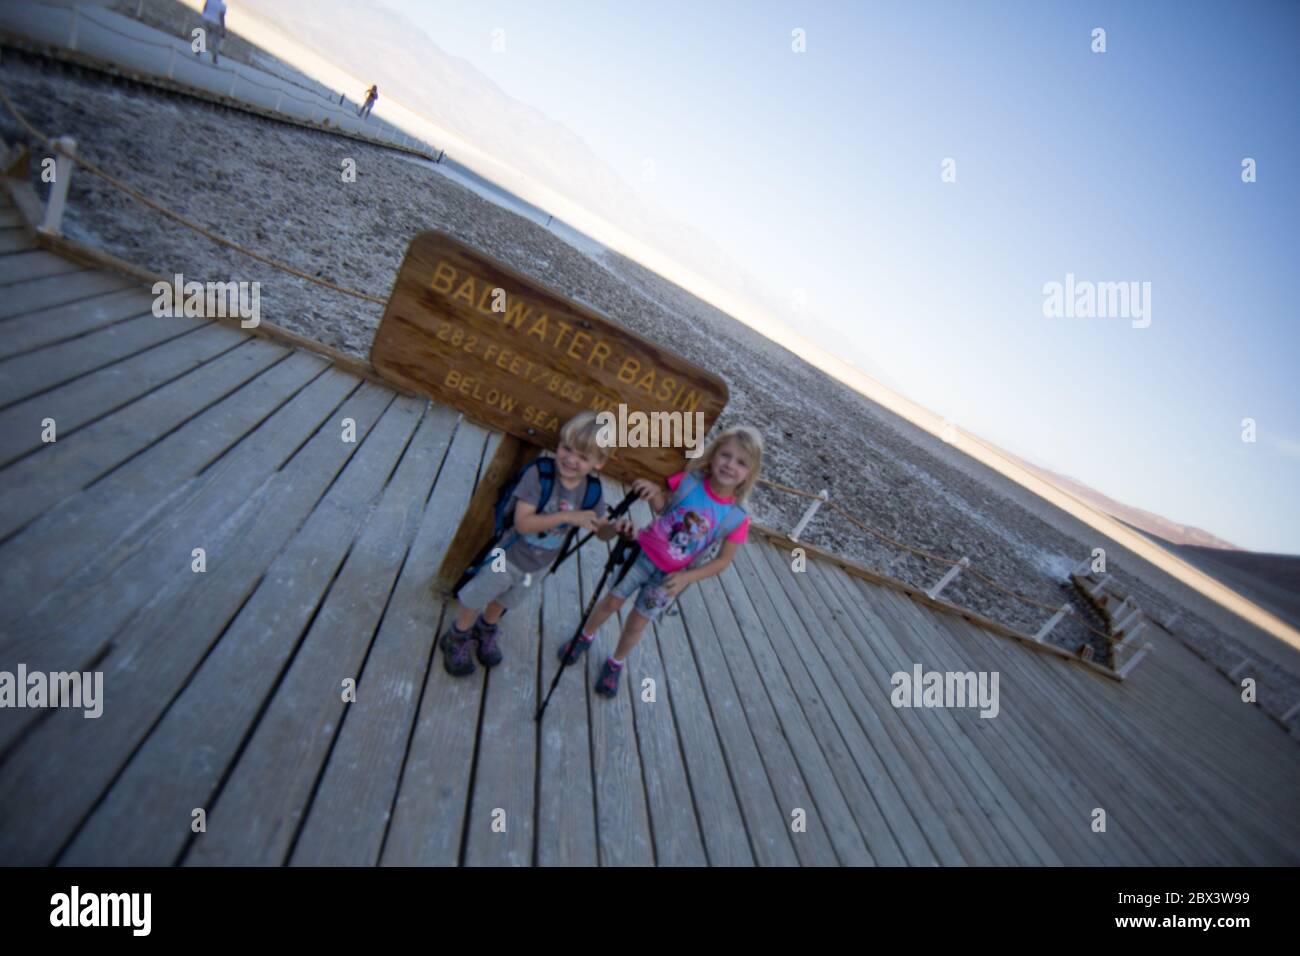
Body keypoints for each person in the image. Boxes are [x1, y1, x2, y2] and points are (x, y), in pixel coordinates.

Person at [561, 426, 763, 698]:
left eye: (741, 463)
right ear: (713, 455)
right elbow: (663, 507)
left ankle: (616, 662)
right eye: (725, 455)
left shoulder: (737, 517)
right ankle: (585, 636)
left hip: (670, 580)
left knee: (637, 623)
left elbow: (723, 561)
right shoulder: (690, 481)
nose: (730, 465)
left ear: (749, 473)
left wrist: (685, 579)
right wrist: (654, 491)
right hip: (641, 554)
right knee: (611, 601)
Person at [441, 412, 632, 676]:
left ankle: (486, 629)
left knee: (505, 600)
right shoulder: (539, 475)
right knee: (479, 595)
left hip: (538, 565)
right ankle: (458, 635)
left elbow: (600, 531)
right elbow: (523, 523)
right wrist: (568, 516)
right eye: (567, 448)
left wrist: (615, 529)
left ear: (599, 463)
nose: (570, 459)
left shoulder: (591, 491)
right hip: (507, 555)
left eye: (583, 457)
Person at [201, 0, 227, 66]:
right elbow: (222, 17)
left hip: (206, 19)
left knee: (203, 35)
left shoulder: (209, 1)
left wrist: (203, 16)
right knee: (216, 41)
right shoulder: (222, 5)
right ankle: (214, 59)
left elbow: (204, 8)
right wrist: (223, 29)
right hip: (215, 23)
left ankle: (197, 50)